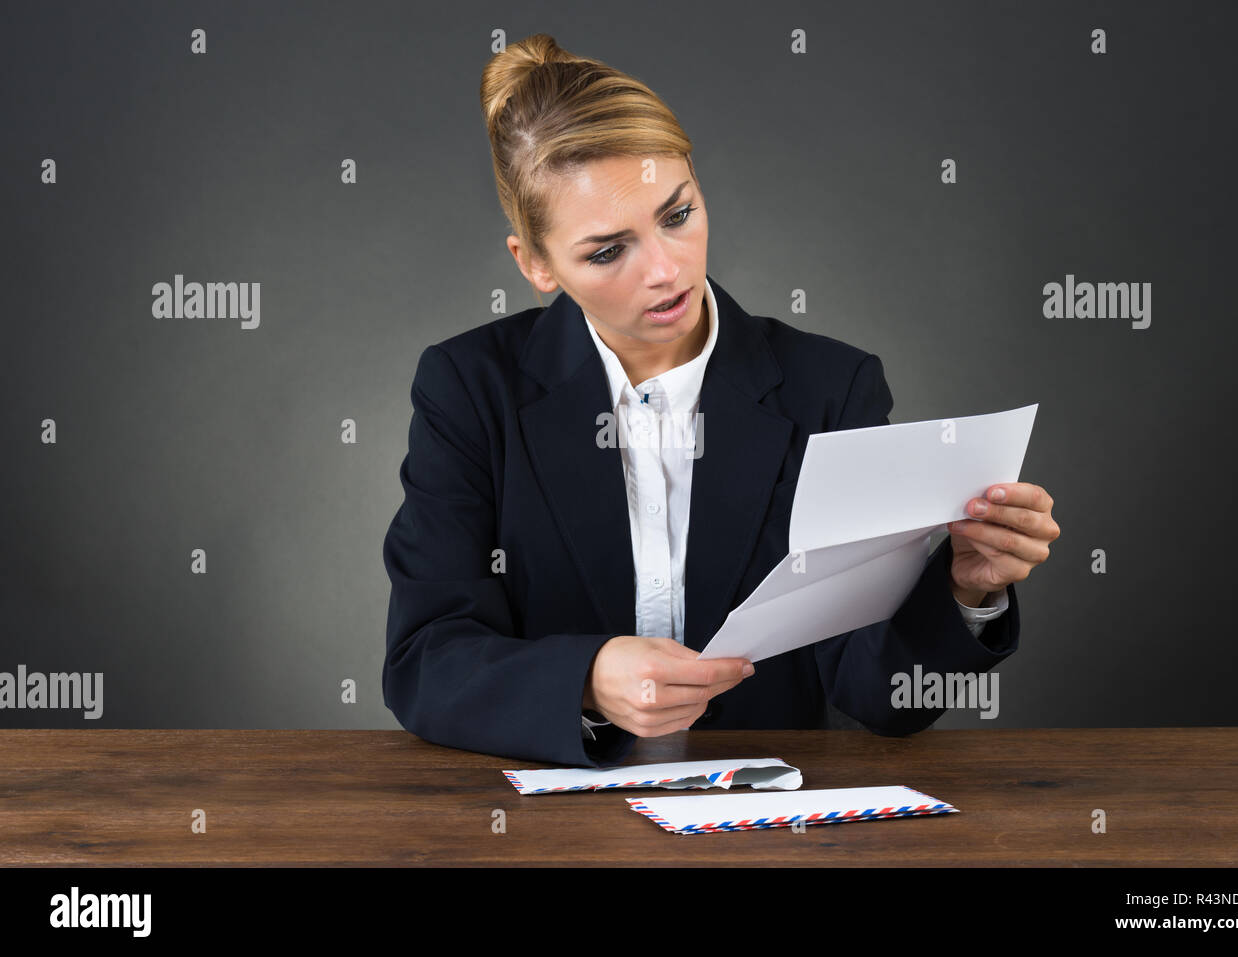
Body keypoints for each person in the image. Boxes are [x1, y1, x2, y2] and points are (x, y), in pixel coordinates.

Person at [381, 34, 1060, 768]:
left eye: (676, 215)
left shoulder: (830, 388)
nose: (666, 270)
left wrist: (964, 590)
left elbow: (880, 692)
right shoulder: (469, 387)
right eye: (609, 251)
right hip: (552, 828)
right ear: (536, 264)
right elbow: (426, 658)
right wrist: (586, 680)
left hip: (772, 828)